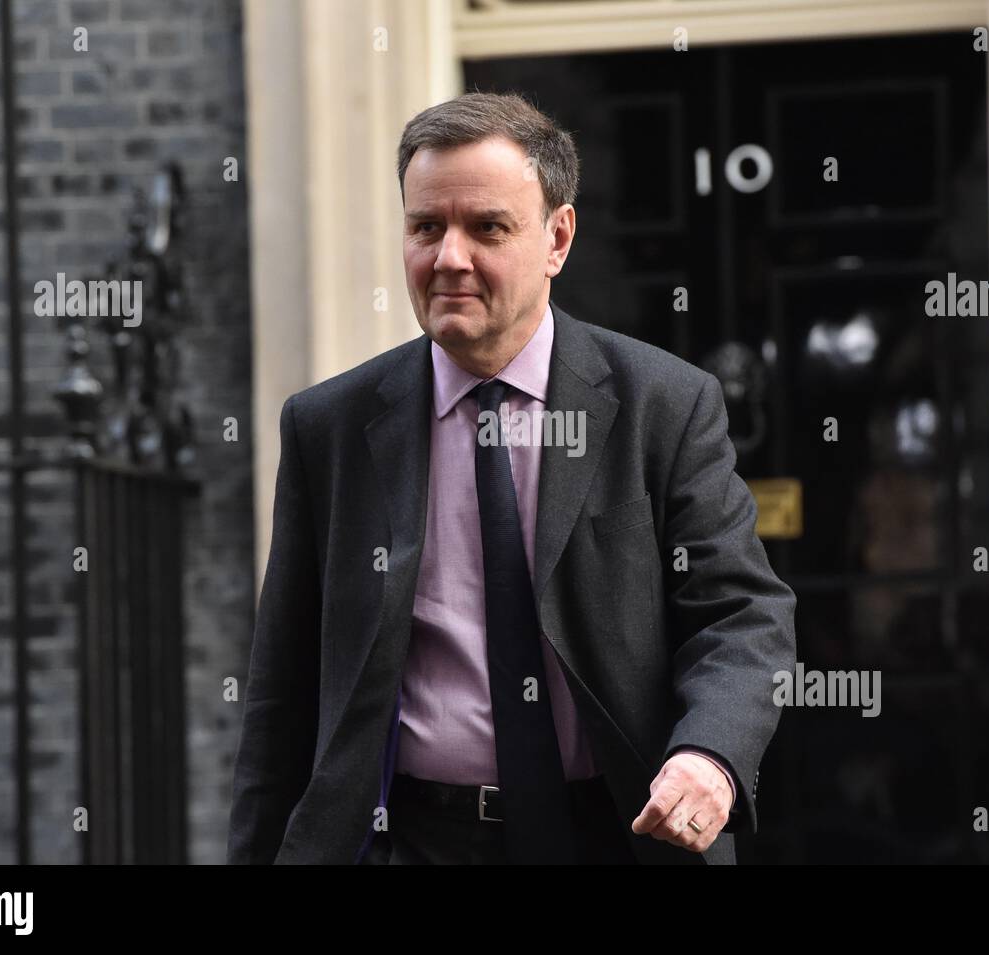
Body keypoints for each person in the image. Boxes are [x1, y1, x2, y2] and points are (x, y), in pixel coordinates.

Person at [227, 91, 796, 865]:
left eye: (487, 228)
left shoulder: (664, 404)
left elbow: (742, 613)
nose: (449, 257)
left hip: (615, 835)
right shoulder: (329, 426)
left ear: (558, 238)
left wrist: (709, 754)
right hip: (410, 841)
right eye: (426, 227)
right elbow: (281, 695)